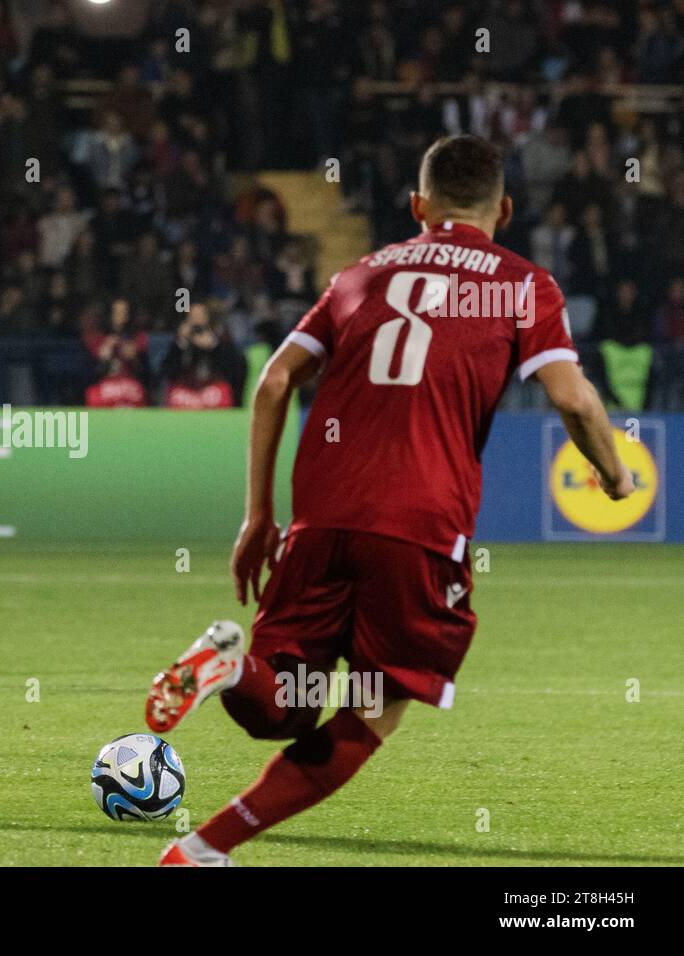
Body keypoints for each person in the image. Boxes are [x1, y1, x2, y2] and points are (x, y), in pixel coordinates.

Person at [146, 135, 636, 866]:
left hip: (318, 521)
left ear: (417, 207)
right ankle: (208, 847)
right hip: (418, 529)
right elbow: (573, 399)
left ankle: (226, 668)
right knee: (373, 710)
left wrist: (259, 515)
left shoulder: (358, 276)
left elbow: (275, 382)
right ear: (504, 208)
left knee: (281, 699)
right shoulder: (522, 283)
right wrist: (615, 474)